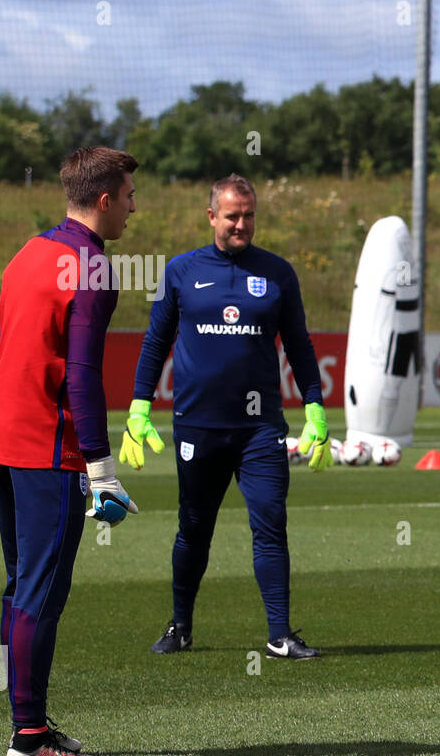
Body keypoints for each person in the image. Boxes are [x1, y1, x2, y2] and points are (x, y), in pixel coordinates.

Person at [124, 173, 330, 659]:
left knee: (271, 522)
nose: (241, 224)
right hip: (198, 425)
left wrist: (316, 406)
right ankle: (180, 626)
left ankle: (280, 634)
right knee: (194, 527)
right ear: (212, 216)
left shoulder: (278, 274)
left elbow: (299, 346)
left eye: (249, 215)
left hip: (260, 429)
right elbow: (156, 342)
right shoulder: (180, 271)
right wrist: (138, 406)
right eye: (232, 215)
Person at [0, 146, 141, 756]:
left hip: (1, 435)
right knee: (41, 591)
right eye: (129, 195)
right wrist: (100, 467)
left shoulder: (27, 252)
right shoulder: (93, 265)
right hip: (47, 445)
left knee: (22, 584)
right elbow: (82, 373)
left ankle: (29, 719)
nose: (135, 206)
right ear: (104, 198)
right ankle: (28, 737)